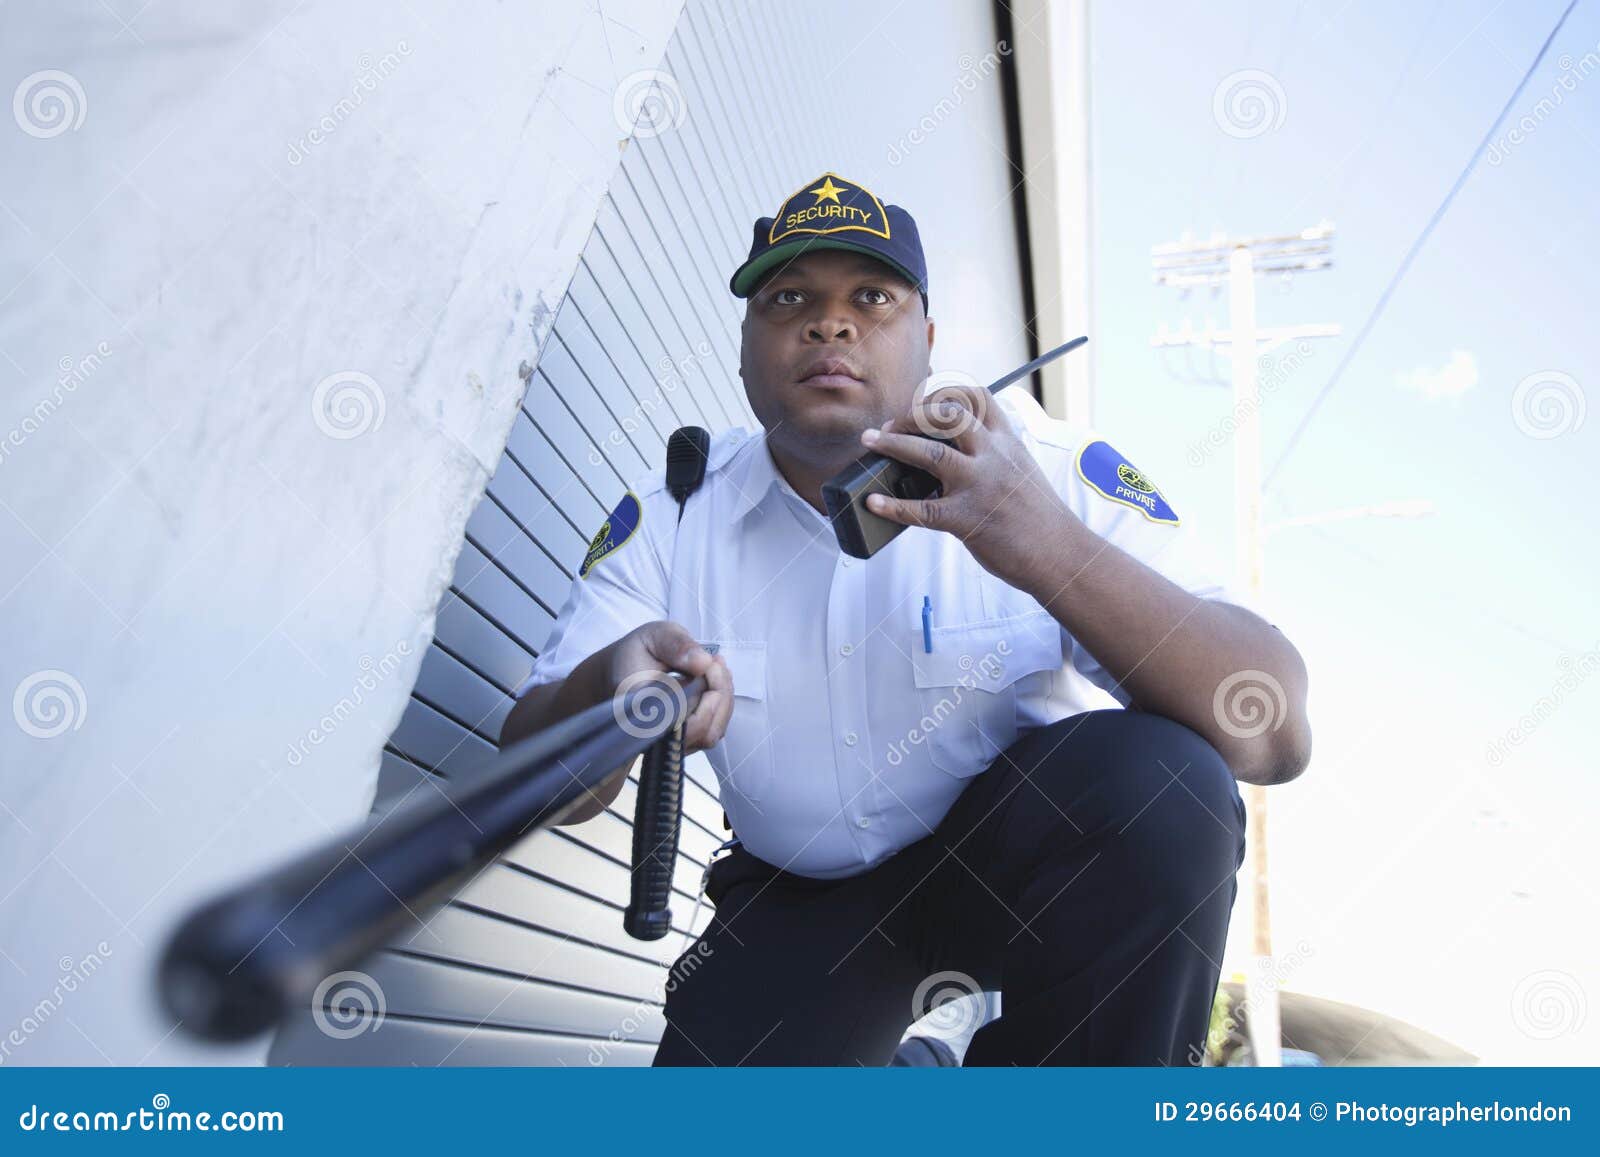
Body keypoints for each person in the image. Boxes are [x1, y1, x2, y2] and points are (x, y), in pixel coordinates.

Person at [498, 171, 1312, 1066]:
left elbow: (1271, 732)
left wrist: (1041, 543)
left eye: (872, 297)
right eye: (788, 298)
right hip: (799, 898)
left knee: (1164, 785)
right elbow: (540, 785)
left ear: (928, 339)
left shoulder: (1040, 464)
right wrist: (607, 696)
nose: (830, 322)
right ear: (743, 348)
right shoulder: (675, 512)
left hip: (1011, 869)